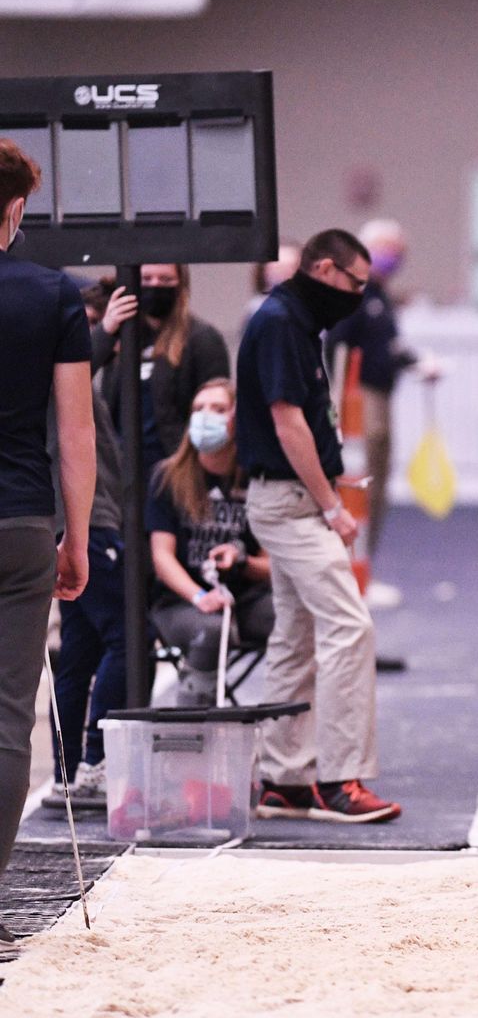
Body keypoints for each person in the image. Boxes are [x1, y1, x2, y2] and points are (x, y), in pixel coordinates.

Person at [236, 229, 400, 824]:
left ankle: (282, 779)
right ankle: (339, 778)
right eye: (356, 282)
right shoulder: (281, 321)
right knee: (350, 627)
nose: (361, 293)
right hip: (291, 504)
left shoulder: (300, 322)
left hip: (289, 498)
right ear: (326, 270)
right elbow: (289, 425)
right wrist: (332, 505)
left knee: (294, 636)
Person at [0, 139, 93, 946]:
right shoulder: (53, 294)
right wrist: (80, 536)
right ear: (16, 210)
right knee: (6, 720)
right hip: (22, 523)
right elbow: (75, 432)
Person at [329, 219, 439, 607]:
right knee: (361, 487)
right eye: (383, 249)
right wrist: (337, 408)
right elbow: (337, 353)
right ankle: (352, 573)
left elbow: (389, 346)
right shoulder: (352, 294)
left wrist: (417, 363)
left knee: (377, 487)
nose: (391, 258)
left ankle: (364, 568)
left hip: (381, 397)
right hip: (359, 403)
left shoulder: (380, 296)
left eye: (397, 250)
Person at [147, 378, 275, 706]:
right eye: (199, 409)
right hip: (181, 603)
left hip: (243, 600)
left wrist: (242, 560)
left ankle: (288, 733)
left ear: (238, 419)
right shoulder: (168, 477)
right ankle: (194, 732)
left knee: (297, 617)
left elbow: (272, 566)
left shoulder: (255, 477)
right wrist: (200, 596)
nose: (206, 416)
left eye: (218, 409)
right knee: (213, 630)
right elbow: (162, 558)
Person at [46, 384, 127, 801]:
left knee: (79, 649)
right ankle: (96, 759)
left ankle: (67, 771)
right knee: (130, 638)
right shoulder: (61, 353)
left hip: (81, 521)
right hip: (86, 523)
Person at [95, 262, 231, 482]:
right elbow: (85, 370)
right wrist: (106, 330)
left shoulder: (202, 339)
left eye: (165, 279)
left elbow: (218, 404)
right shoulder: (125, 336)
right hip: (121, 468)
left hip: (175, 468)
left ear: (181, 284)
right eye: (147, 279)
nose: (155, 286)